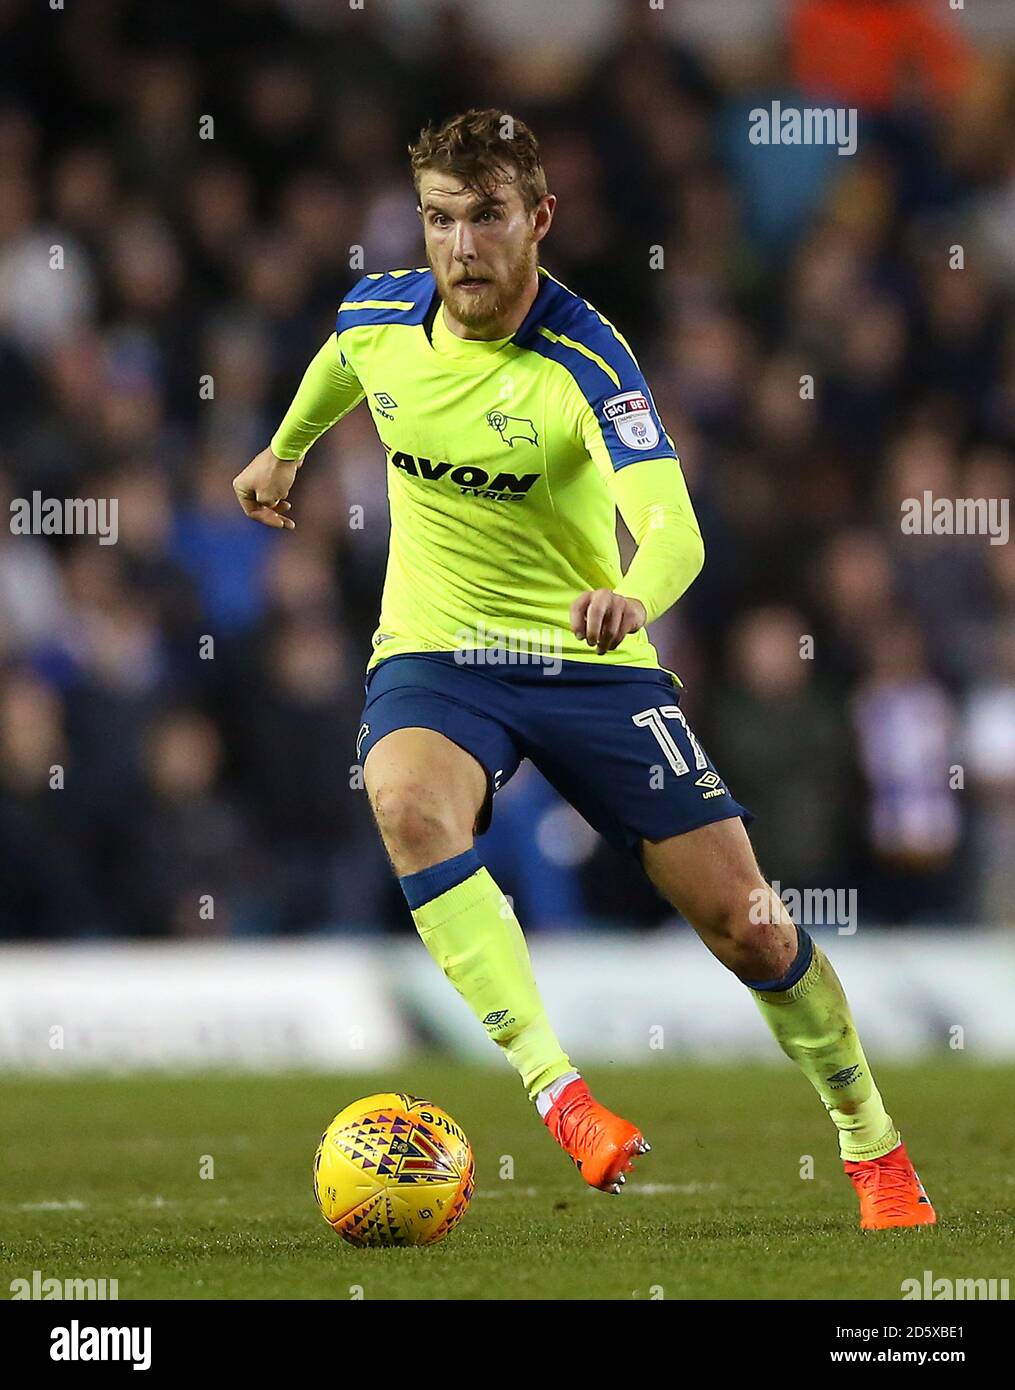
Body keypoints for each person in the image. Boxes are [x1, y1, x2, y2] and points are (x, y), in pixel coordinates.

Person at [233, 109, 933, 1229]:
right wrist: (285, 449)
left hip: (588, 660)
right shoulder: (378, 314)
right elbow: (342, 364)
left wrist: (631, 594)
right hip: (439, 653)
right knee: (408, 802)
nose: (461, 246)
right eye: (440, 219)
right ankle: (560, 1097)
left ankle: (871, 1145)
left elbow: (677, 533)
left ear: (538, 219)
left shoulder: (586, 357)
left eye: (487, 217)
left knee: (747, 921)